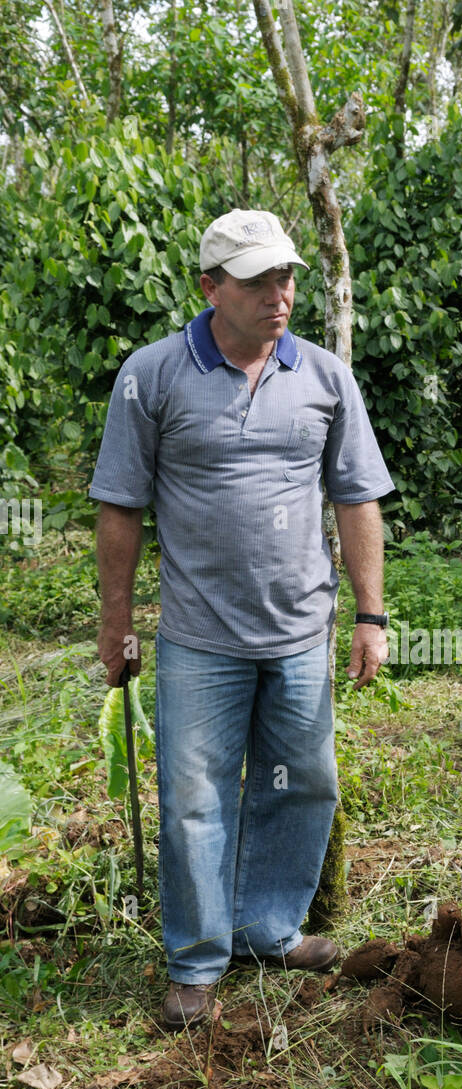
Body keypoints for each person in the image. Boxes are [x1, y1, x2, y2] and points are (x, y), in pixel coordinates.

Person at [89, 208, 394, 1030]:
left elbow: (355, 495)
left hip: (300, 630)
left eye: (286, 276)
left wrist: (370, 614)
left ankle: (266, 928)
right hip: (198, 635)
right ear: (209, 287)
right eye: (258, 279)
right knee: (193, 798)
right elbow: (120, 505)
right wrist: (114, 623)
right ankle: (195, 961)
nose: (279, 293)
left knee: (303, 786)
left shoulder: (325, 377)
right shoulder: (151, 376)